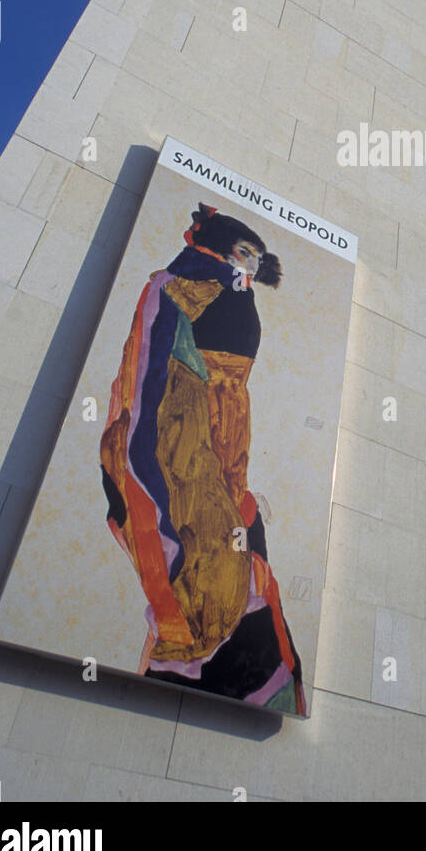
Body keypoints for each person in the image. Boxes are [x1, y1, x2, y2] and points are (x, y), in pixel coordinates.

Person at [99, 201, 306, 715]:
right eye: (244, 254)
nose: (253, 267)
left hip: (229, 502)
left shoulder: (223, 299)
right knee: (211, 616)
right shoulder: (175, 294)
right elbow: (137, 431)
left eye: (259, 259)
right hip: (187, 510)